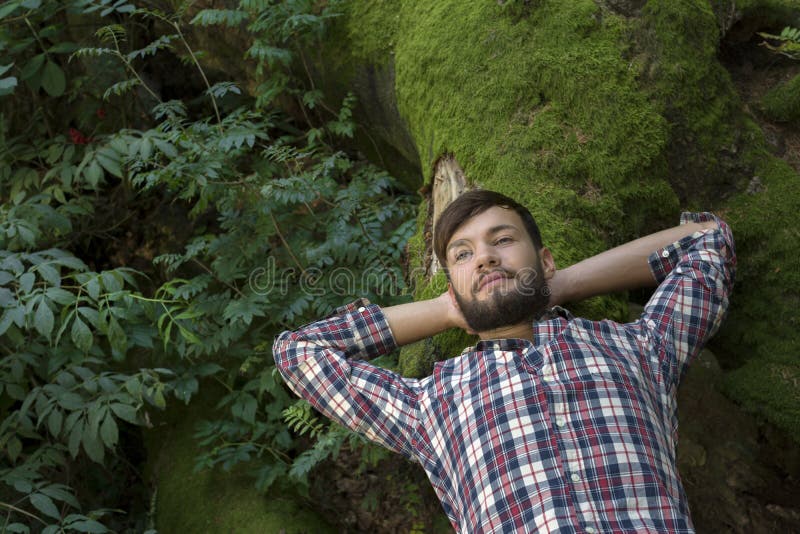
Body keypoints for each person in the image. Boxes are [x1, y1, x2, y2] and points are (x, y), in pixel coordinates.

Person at [273, 189, 735, 533]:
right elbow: (300, 354)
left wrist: (561, 283)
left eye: (503, 240)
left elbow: (708, 241)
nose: (486, 258)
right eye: (463, 254)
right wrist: (446, 309)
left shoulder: (642, 350)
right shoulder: (430, 406)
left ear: (546, 260)